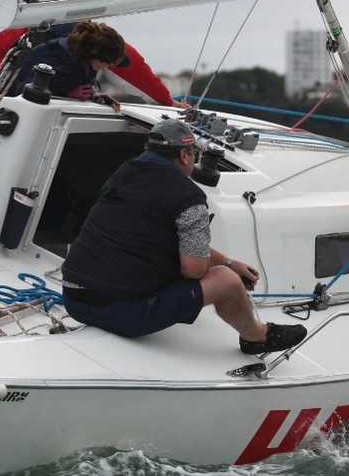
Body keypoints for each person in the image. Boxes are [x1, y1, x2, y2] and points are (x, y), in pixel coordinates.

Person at [60, 118, 307, 354]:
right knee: (226, 280)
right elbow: (194, 269)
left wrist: (230, 261)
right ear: (185, 155)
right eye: (195, 154)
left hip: (73, 299)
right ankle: (258, 336)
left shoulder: (124, 174)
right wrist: (228, 270)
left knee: (223, 268)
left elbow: (158, 238)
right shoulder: (190, 198)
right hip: (120, 313)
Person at [0, 22, 188, 108]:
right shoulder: (67, 72)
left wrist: (96, 95)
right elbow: (27, 93)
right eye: (108, 64)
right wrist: (69, 93)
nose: (108, 68)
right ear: (97, 60)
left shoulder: (75, 43)